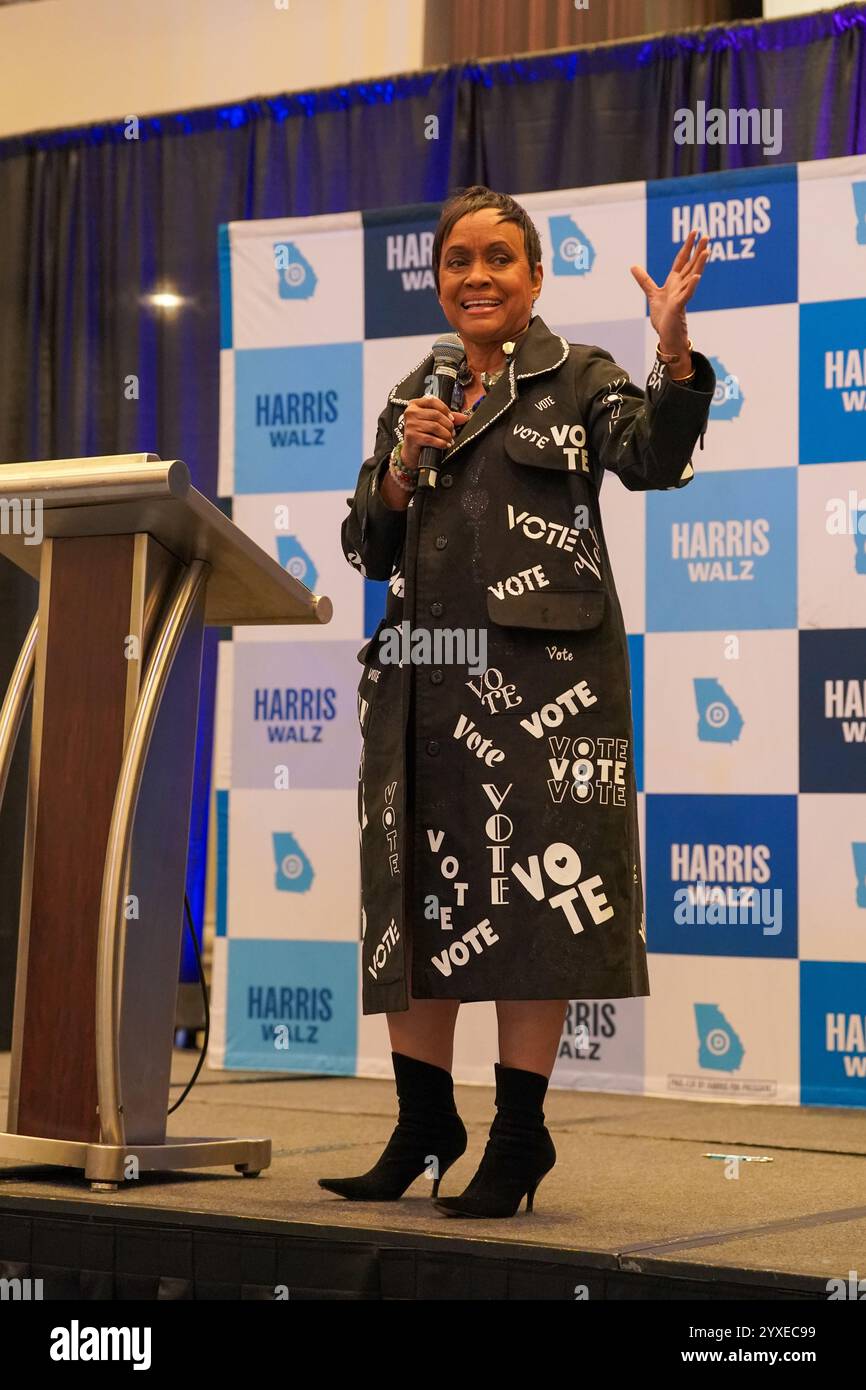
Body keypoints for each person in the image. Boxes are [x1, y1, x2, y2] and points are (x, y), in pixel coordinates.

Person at [319, 185, 714, 1218]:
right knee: (420, 902)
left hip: (548, 696)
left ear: (535, 277)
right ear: (438, 280)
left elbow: (655, 457)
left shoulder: (579, 373)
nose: (477, 275)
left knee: (537, 904)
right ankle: (422, 1123)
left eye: (499, 257)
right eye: (458, 259)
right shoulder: (415, 391)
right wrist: (400, 465)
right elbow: (367, 543)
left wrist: (672, 353)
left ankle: (518, 1135)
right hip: (422, 686)